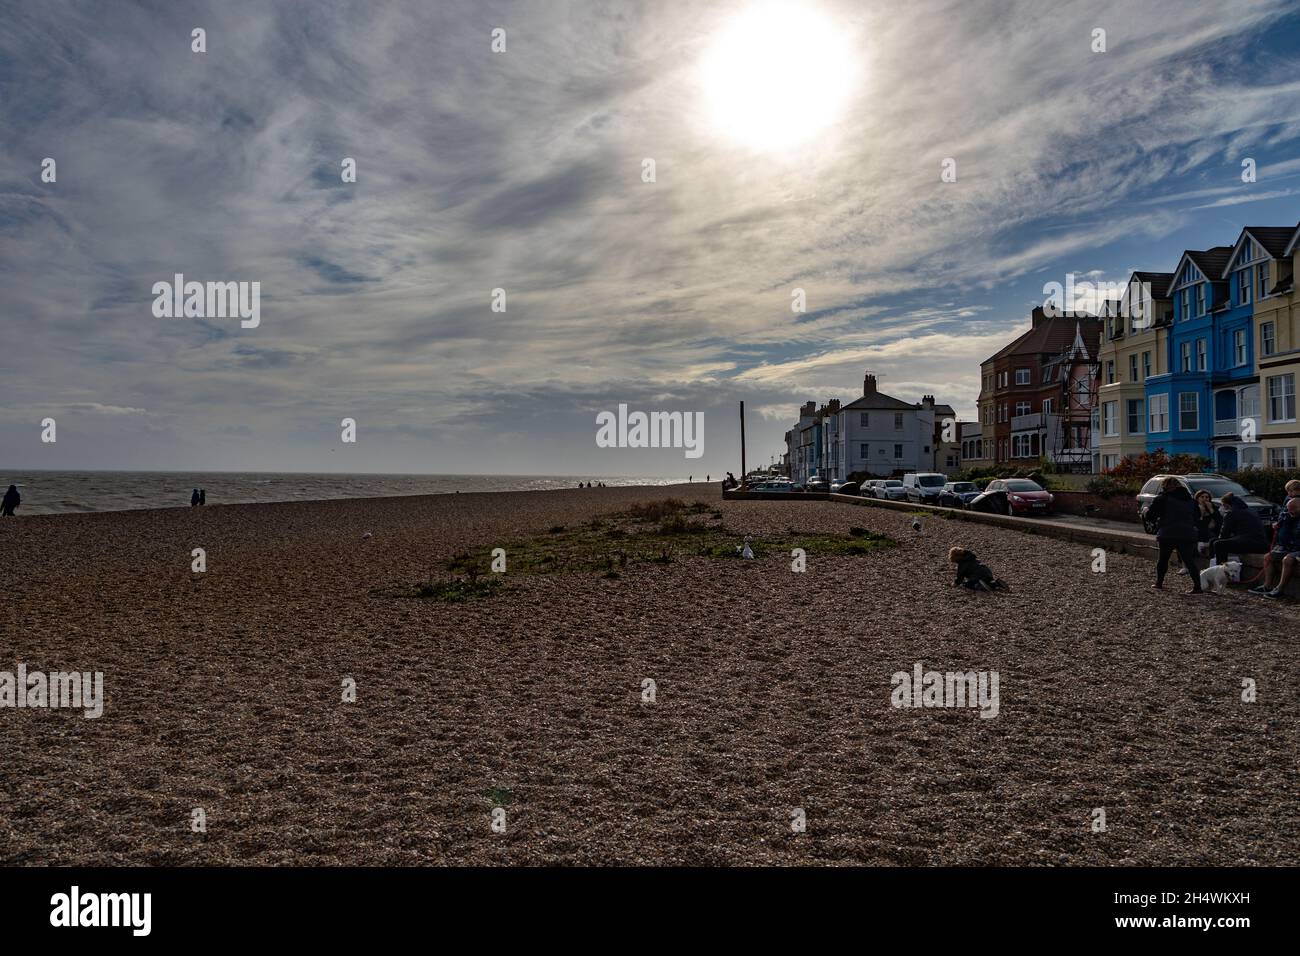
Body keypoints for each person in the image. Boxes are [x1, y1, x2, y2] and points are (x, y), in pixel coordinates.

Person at [1147, 477, 1201, 593]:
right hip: (1188, 533)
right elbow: (1197, 517)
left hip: (1168, 533)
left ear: (1165, 487)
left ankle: (1159, 583)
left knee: (1163, 559)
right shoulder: (1191, 500)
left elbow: (1151, 516)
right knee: (1189, 560)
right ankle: (1197, 587)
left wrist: (1147, 512)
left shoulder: (1163, 498)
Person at [1251, 497, 1300, 598]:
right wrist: (1283, 522)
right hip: (1292, 546)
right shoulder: (1288, 517)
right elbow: (1283, 536)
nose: (1291, 513)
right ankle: (1267, 585)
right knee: (1268, 557)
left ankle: (1280, 589)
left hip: (1297, 549)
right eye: (1289, 510)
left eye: (1293, 510)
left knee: (1288, 559)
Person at [1212, 492, 1269, 566]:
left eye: (1223, 505)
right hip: (1262, 544)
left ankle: (1221, 570)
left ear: (1227, 505)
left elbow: (1224, 535)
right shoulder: (1251, 510)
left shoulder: (1231, 513)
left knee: (1218, 544)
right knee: (1216, 541)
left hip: (1250, 544)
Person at [1193, 490, 1222, 561]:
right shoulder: (1194, 507)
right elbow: (1194, 522)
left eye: (1207, 497)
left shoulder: (1212, 506)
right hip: (1199, 530)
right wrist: (1201, 515)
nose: (1204, 499)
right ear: (1197, 498)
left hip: (1211, 530)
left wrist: (1211, 510)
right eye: (1202, 497)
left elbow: (1219, 520)